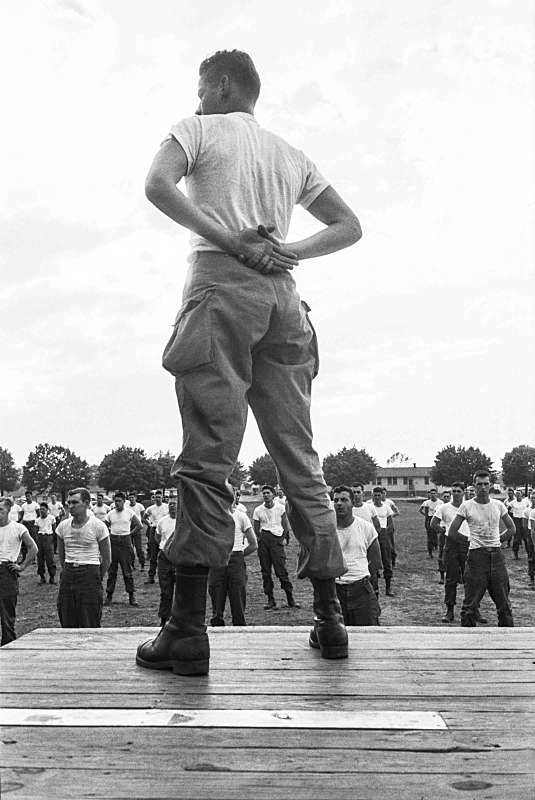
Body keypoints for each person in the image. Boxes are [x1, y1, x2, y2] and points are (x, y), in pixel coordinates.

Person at [136, 49, 361, 676]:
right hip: (285, 301)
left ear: (221, 85)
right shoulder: (290, 154)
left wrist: (232, 240)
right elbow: (349, 225)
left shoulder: (197, 129)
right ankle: (330, 618)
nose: (197, 98)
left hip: (220, 287)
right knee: (299, 453)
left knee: (209, 453)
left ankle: (186, 629)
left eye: (200, 88)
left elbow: (156, 185)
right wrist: (287, 251)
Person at [448, 470, 516, 627]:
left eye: (486, 484)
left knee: (504, 605)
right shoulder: (467, 506)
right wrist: (470, 541)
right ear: (474, 486)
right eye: (479, 484)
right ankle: (467, 647)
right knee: (470, 606)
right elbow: (452, 532)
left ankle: (508, 645)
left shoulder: (498, 505)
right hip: (476, 558)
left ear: (490, 485)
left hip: (497, 558)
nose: (483, 487)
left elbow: (512, 528)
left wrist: (497, 541)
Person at [322, 485, 382, 627]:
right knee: (335, 633)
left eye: (344, 500)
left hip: (361, 589)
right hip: (334, 590)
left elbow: (375, 560)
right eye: (336, 500)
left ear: (352, 503)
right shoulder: (326, 530)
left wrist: (359, 575)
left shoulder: (366, 527)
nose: (339, 504)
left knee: (368, 633)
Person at [56, 487, 111, 628]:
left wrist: (96, 576)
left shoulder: (98, 526)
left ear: (86, 503)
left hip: (90, 572)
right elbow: (62, 555)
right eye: (69, 503)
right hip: (69, 572)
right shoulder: (62, 527)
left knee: (89, 618)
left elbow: (106, 558)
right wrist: (68, 570)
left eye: (75, 502)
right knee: (67, 615)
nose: (71, 506)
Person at [430, 482, 485, 624]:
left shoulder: (469, 506)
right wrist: (444, 531)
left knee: (471, 578)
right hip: (452, 544)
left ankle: (474, 609)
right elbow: (433, 523)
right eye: (453, 491)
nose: (455, 493)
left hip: (468, 544)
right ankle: (449, 610)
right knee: (451, 578)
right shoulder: (444, 507)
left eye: (458, 491)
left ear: (463, 492)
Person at [208, 497, 257, 626]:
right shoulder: (213, 517)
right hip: (218, 561)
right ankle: (217, 626)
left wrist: (238, 555)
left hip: (236, 561)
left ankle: (240, 627)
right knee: (217, 595)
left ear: (234, 499)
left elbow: (253, 544)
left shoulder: (241, 516)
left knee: (238, 597)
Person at [253, 485, 300, 610]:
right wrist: (262, 539)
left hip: (276, 540)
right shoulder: (258, 510)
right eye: (264, 493)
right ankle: (270, 599)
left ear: (273, 495)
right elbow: (256, 529)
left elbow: (285, 526)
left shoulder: (280, 508)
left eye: (268, 493)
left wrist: (283, 538)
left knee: (281, 571)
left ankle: (290, 598)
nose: (266, 495)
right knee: (265, 571)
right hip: (264, 540)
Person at [0, 498, 37, 645]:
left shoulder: (18, 528)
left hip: (6, 571)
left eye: (1, 510)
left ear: (9, 511)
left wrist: (21, 566)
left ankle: (8, 647)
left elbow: (33, 548)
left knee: (7, 614)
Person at [104, 492, 142, 607]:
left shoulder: (129, 512)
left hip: (125, 542)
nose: (117, 503)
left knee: (127, 571)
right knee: (112, 571)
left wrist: (129, 534)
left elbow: (139, 525)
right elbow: (104, 525)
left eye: (119, 501)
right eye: (115, 501)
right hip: (114, 542)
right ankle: (109, 596)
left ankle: (131, 596)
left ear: (124, 501)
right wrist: (109, 533)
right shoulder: (110, 514)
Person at [155, 499, 179, 627]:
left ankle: (180, 619)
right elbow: (157, 537)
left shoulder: (183, 521)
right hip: (164, 559)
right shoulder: (162, 521)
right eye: (170, 504)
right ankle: (164, 618)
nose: (172, 506)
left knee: (181, 591)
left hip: (179, 558)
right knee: (166, 591)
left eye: (175, 504)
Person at [368, 487, 395, 596]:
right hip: (372, 534)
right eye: (375, 495)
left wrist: (386, 534)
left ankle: (388, 588)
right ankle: (374, 588)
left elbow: (390, 523)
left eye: (379, 495)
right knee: (372, 563)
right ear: (372, 496)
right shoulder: (369, 507)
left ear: (382, 496)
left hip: (384, 535)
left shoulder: (386, 508)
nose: (377, 497)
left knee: (387, 561)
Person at [144, 490, 169, 585]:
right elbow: (144, 518)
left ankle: (168, 575)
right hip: (154, 530)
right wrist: (149, 524)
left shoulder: (166, 507)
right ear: (154, 498)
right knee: (153, 554)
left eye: (159, 497)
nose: (158, 499)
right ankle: (151, 576)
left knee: (166, 552)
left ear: (162, 498)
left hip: (164, 531)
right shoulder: (150, 509)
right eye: (156, 497)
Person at [35, 502, 57, 585]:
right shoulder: (37, 520)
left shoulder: (51, 518)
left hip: (49, 538)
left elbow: (54, 531)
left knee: (50, 559)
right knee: (40, 559)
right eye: (40, 509)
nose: (41, 511)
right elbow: (36, 531)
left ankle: (52, 577)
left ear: (47, 510)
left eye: (43, 509)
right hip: (40, 539)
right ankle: (42, 577)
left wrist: (52, 541)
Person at [418, 488, 443, 558]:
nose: (432, 495)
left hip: (438, 519)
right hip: (430, 519)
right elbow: (426, 514)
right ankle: (430, 553)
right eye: (431, 494)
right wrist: (426, 524)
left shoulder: (440, 502)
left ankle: (436, 546)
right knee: (430, 537)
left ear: (436, 494)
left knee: (437, 535)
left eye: (434, 493)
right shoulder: (427, 503)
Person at [435, 489, 451, 584]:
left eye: (448, 496)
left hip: (453, 533)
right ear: (442, 497)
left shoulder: (455, 506)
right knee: (441, 553)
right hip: (443, 532)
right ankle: (442, 575)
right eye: (444, 496)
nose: (446, 498)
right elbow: (435, 522)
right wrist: (441, 530)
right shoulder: (439, 507)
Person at [509, 488, 530, 561]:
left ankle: (529, 554)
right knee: (516, 538)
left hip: (523, 520)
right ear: (515, 495)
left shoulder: (526, 502)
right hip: (516, 520)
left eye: (519, 493)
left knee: (526, 538)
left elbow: (529, 509)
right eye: (516, 493)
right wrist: (510, 517)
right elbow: (507, 509)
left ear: (522, 494)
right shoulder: (512, 503)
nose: (518, 495)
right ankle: (515, 554)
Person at [127, 491, 146, 571]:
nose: (131, 499)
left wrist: (140, 523)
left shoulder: (140, 506)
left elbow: (142, 517)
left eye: (133, 497)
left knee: (139, 548)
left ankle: (142, 564)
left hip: (137, 528)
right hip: (129, 527)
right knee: (130, 548)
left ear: (135, 498)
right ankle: (131, 565)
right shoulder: (126, 507)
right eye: (130, 498)